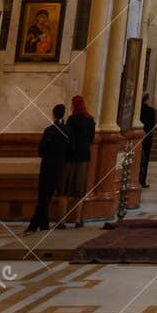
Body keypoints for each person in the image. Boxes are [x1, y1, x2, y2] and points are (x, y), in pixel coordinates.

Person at [26, 103, 69, 233]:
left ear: (53, 114)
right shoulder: (67, 131)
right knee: (47, 196)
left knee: (44, 195)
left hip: (48, 166)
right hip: (61, 166)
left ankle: (35, 223)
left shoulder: (50, 130)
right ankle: (43, 223)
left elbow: (41, 150)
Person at [61, 95, 96, 227]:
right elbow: (92, 139)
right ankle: (77, 220)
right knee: (80, 190)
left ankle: (62, 220)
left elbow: (67, 137)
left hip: (70, 157)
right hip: (84, 157)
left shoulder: (71, 119)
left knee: (64, 189)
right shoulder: (90, 120)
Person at [139, 92, 156, 188]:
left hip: (139, 136)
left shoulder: (138, 109)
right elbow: (152, 125)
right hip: (147, 137)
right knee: (145, 160)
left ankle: (136, 179)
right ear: (147, 99)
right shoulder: (150, 110)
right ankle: (142, 180)